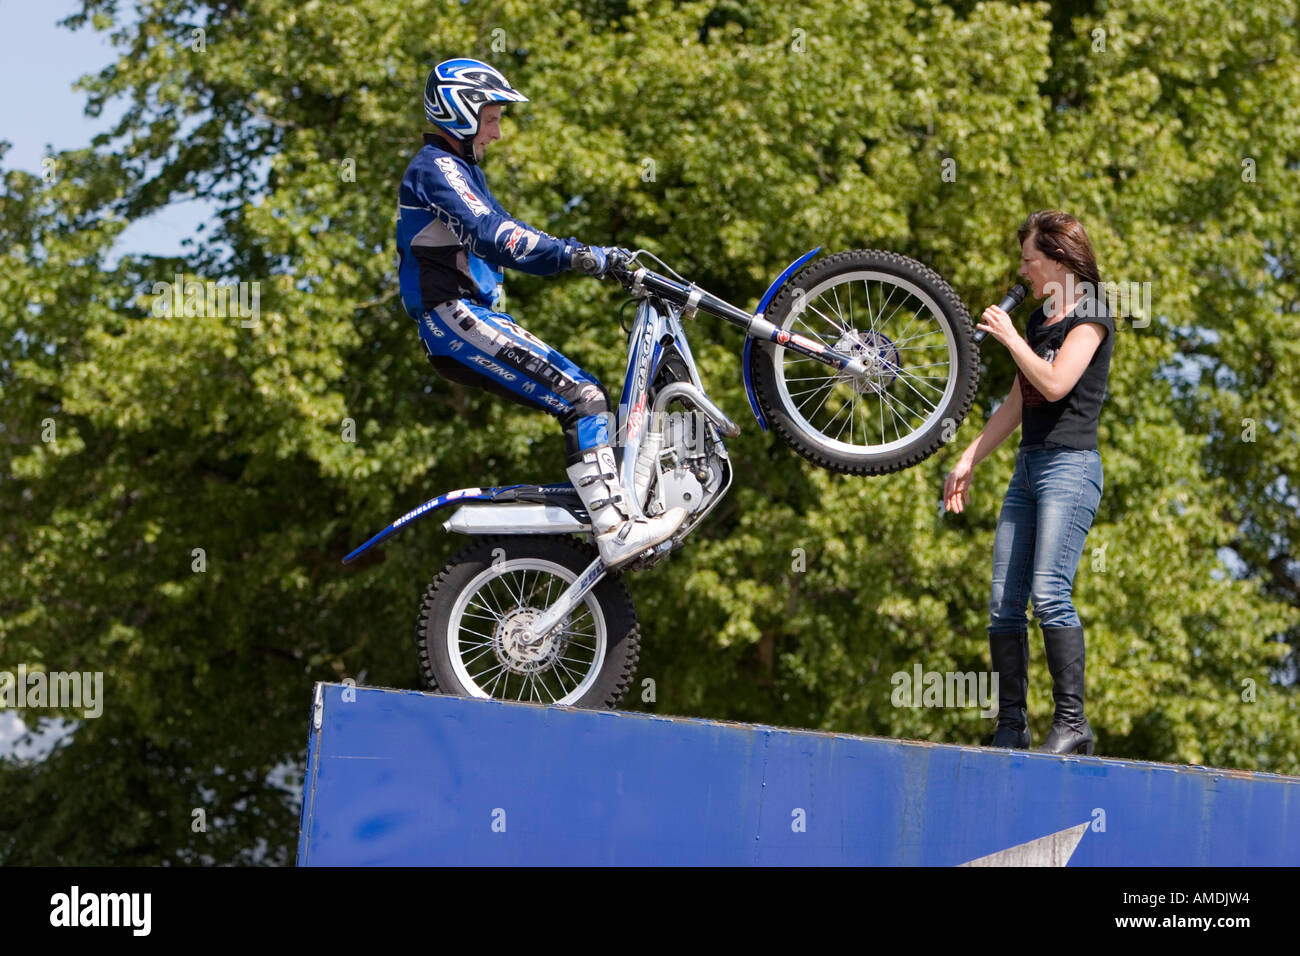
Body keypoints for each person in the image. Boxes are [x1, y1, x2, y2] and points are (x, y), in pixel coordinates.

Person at [396, 58, 686, 568]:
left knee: (590, 398)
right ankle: (615, 529)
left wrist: (591, 256)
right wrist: (577, 254)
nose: (498, 133)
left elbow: (500, 230)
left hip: (472, 317)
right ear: (460, 112)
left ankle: (618, 512)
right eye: (492, 118)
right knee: (583, 397)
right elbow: (496, 235)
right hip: (452, 315)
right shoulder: (436, 168)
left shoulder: (463, 171)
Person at [943, 210, 1115, 755]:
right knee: (1002, 600)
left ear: (1060, 260)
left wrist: (1013, 339)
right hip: (1029, 467)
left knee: (1049, 592)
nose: (1022, 271)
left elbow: (1057, 383)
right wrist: (971, 454)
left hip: (1071, 468)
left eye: (1029, 260)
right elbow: (1021, 398)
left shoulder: (1091, 314)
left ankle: (1071, 724)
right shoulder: (1043, 318)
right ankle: (1010, 725)